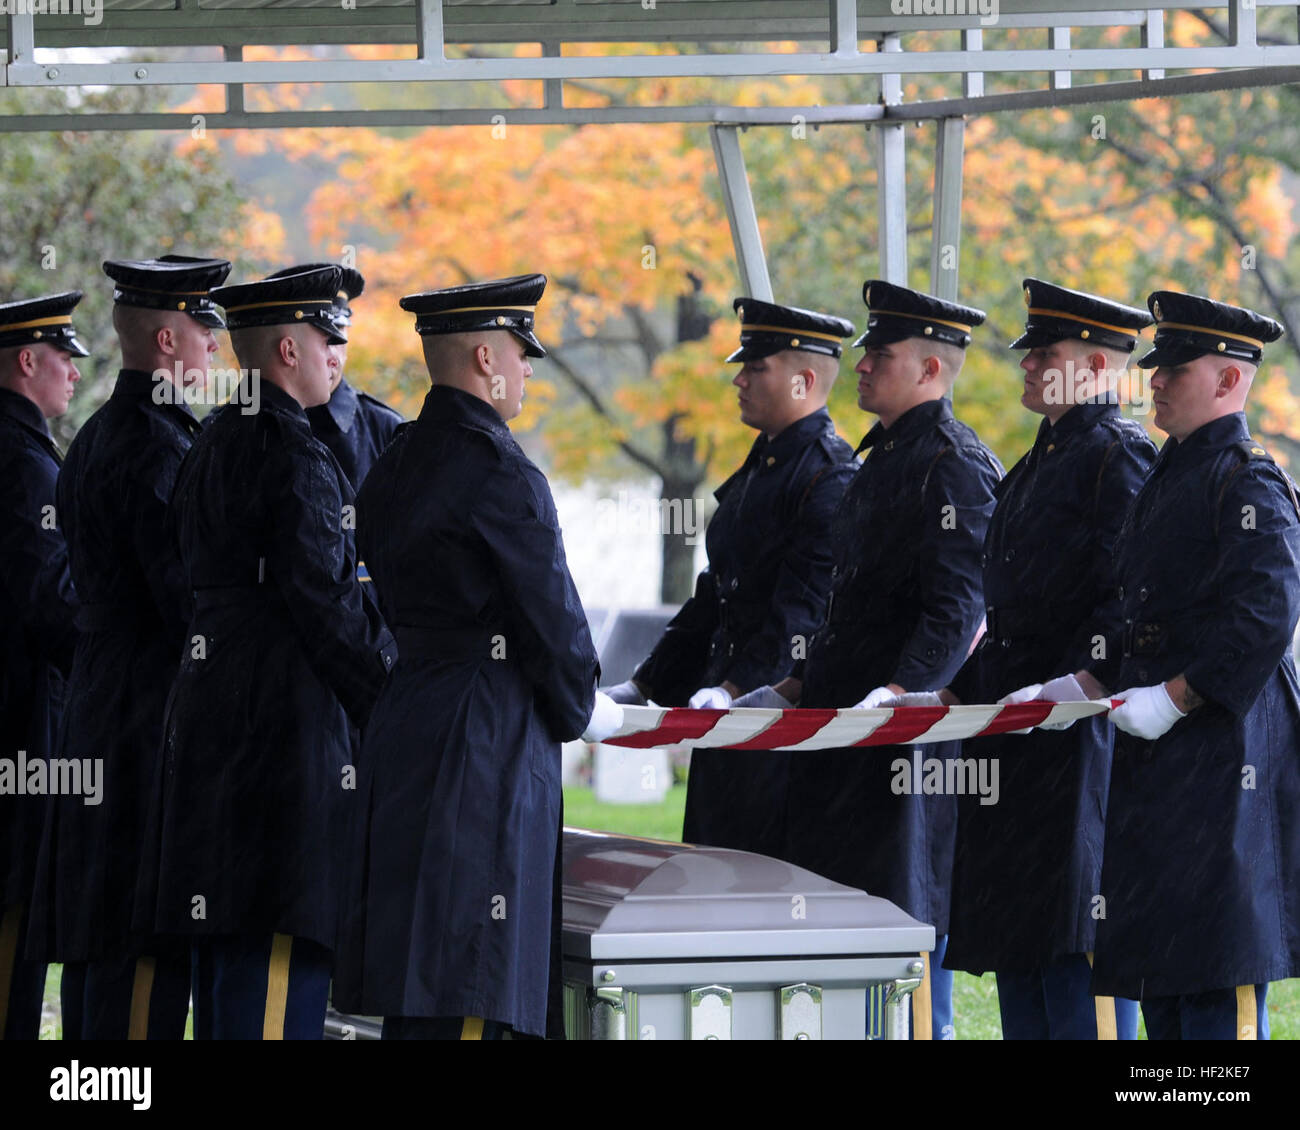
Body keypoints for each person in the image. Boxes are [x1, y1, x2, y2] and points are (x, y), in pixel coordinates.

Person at [336, 274, 616, 1041]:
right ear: (487, 358)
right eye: (522, 354)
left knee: (419, 977)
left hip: (410, 717)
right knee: (471, 976)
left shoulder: (392, 460)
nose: (529, 370)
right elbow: (551, 618)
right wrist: (580, 705)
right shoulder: (499, 469)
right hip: (482, 733)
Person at [142, 265, 398, 1040]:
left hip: (215, 713)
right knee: (280, 958)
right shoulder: (295, 452)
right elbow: (327, 604)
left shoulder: (210, 438)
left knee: (229, 957)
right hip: (286, 733)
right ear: (288, 347)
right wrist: (393, 702)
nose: (337, 358)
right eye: (328, 340)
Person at [745, 280, 1003, 1040]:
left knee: (904, 940)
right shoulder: (884, 458)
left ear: (929, 370)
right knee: (841, 937)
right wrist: (797, 684)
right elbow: (849, 605)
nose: (859, 367)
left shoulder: (953, 464)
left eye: (879, 356)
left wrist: (899, 692)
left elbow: (959, 606)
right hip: (844, 737)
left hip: (903, 745)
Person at [937, 279, 1156, 1040]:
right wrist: (946, 697)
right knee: (1022, 945)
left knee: (1074, 946)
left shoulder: (1117, 455)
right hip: (1023, 738)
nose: (1027, 364)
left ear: (1097, 364)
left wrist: (1084, 681)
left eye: (1046, 352)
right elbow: (1009, 623)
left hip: (1080, 736)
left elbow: (1130, 599)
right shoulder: (1043, 460)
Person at [25, 257, 230, 1041]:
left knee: (102, 942)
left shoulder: (101, 435)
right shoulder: (161, 447)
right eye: (206, 333)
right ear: (170, 336)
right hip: (149, 714)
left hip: (102, 703)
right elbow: (185, 602)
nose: (216, 350)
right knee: (141, 943)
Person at [1086, 291, 1300, 1039]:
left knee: (1216, 974)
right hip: (1167, 763)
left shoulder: (1246, 479)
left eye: (1176, 368)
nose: (1156, 380)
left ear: (1229, 380)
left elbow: (1263, 617)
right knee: (1165, 974)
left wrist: (1174, 698)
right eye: (1157, 366)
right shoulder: (1169, 477)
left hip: (1221, 755)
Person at [603, 298, 857, 856]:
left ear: (804, 380)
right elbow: (716, 592)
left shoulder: (828, 475)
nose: (738, 379)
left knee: (759, 892)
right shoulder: (766, 463)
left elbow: (802, 613)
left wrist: (734, 691)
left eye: (756, 368)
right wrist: (646, 684)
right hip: (728, 719)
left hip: (776, 723)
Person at [0, 291, 85, 1040]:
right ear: (27, 362)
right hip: (19, 727)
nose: (73, 374)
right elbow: (53, 606)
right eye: (64, 357)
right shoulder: (27, 467)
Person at [267, 262, 404, 489]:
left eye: (337, 333)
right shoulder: (239, 427)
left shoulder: (385, 429)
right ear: (289, 346)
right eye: (319, 335)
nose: (331, 351)